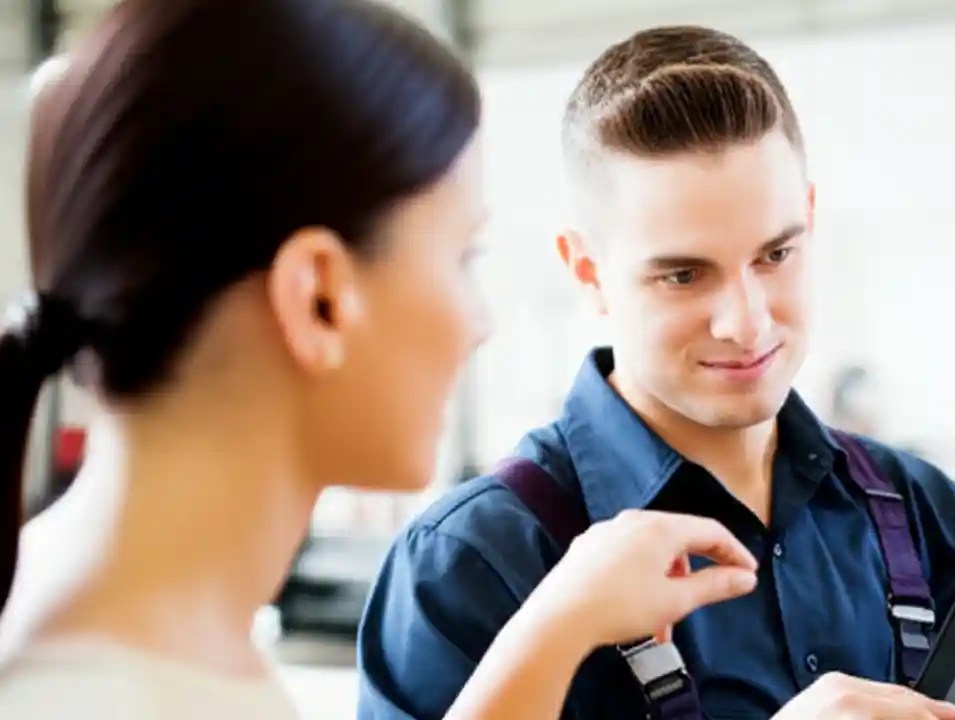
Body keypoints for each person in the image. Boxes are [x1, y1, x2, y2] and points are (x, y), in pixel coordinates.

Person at [357, 25, 955, 720]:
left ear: (811, 218)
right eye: (683, 273)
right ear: (585, 269)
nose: (748, 319)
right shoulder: (470, 567)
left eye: (776, 253)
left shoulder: (928, 515)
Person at [0, 3, 760, 718]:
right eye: (462, 257)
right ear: (321, 298)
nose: (480, 322)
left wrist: (563, 623)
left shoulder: (129, 630)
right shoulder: (112, 693)